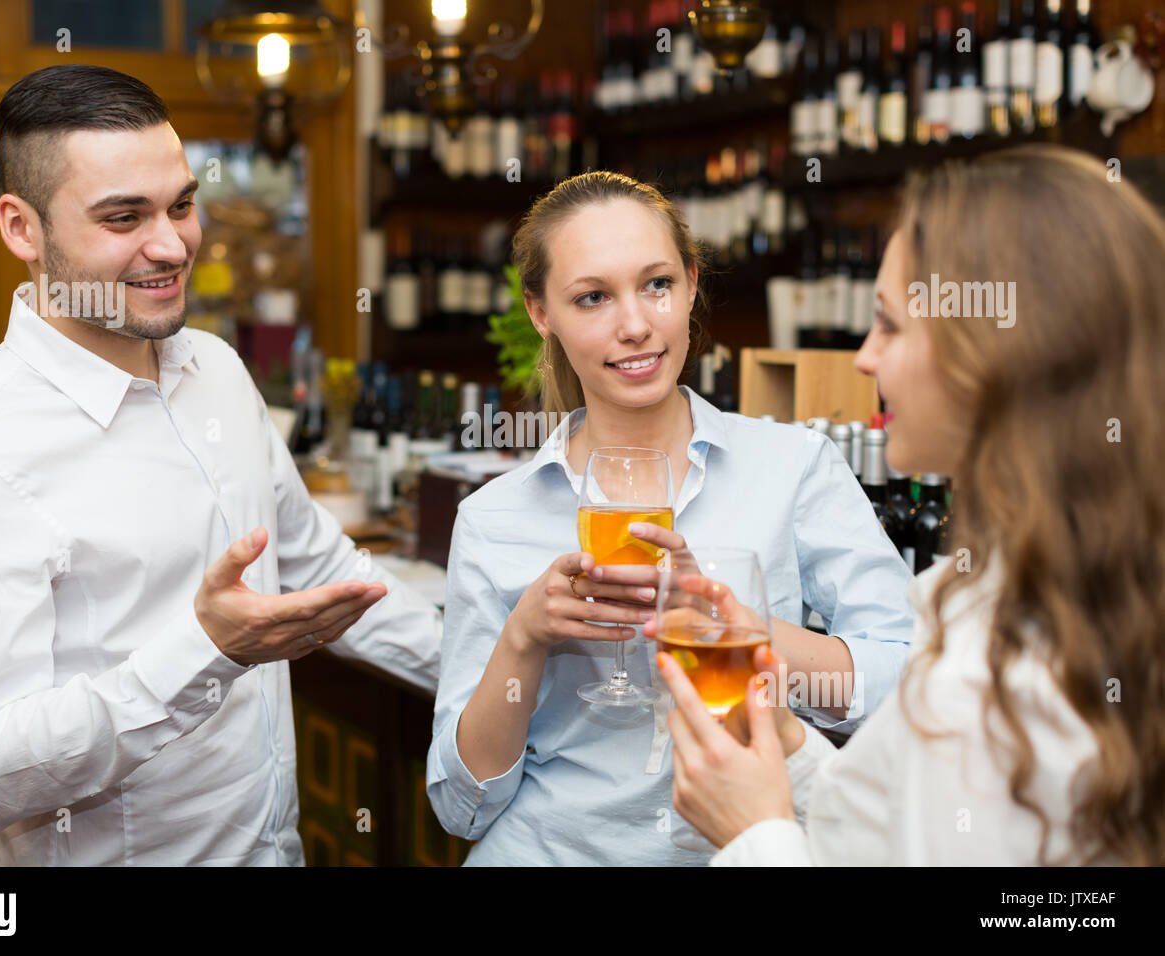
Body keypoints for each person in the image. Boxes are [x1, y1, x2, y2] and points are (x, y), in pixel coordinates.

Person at [0, 65, 441, 866]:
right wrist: (204, 649)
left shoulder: (214, 368)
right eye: (123, 217)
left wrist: (501, 666)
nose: (172, 244)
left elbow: (324, 568)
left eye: (181, 204)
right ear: (21, 229)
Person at [660, 145, 1165, 866]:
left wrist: (752, 833)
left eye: (891, 324)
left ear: (992, 356)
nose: (864, 357)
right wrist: (792, 747)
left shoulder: (984, 688)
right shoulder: (1068, 590)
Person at [427, 170, 916, 866]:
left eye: (656, 284)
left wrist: (746, 634)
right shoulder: (491, 518)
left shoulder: (795, 465)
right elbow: (461, 806)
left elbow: (908, 680)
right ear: (541, 312)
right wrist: (523, 642)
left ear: (690, 284)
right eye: (592, 297)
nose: (635, 325)